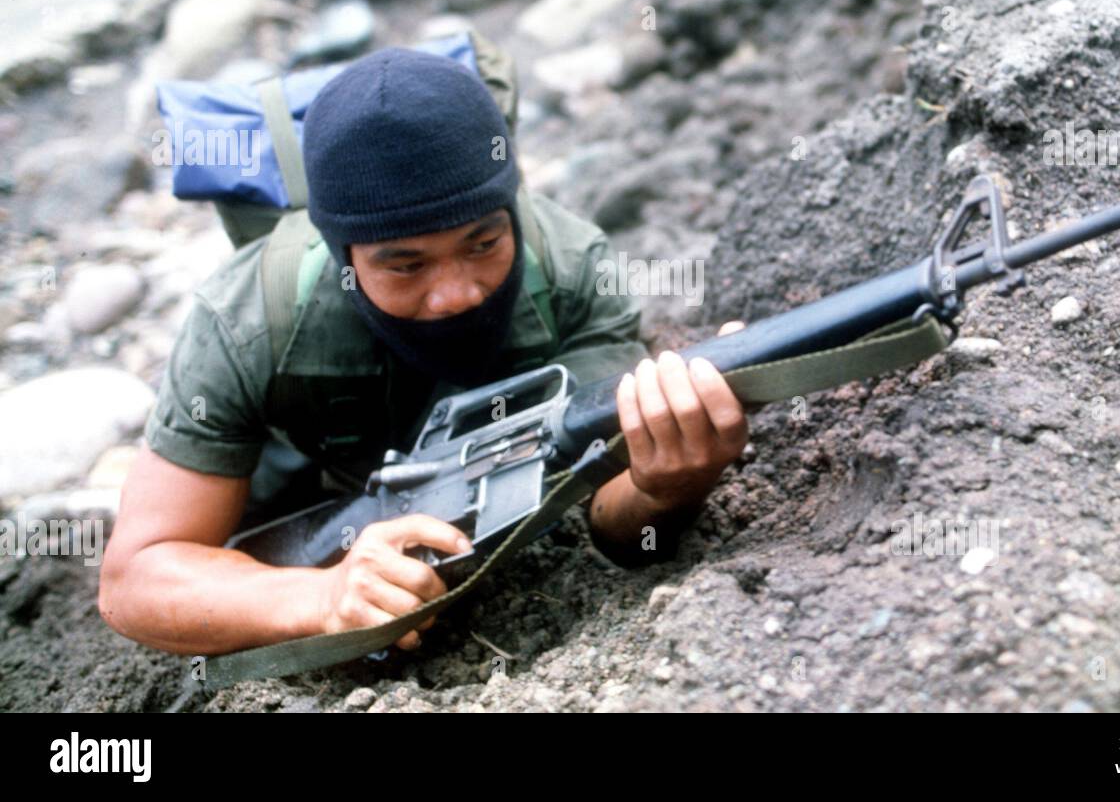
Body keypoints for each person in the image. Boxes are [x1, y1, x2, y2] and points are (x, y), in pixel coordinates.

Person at [98, 48, 749, 657]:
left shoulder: (574, 270)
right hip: (301, 461)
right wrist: (320, 596)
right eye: (406, 266)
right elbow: (136, 576)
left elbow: (610, 516)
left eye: (483, 243)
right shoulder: (243, 322)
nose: (457, 295)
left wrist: (667, 488)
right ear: (342, 253)